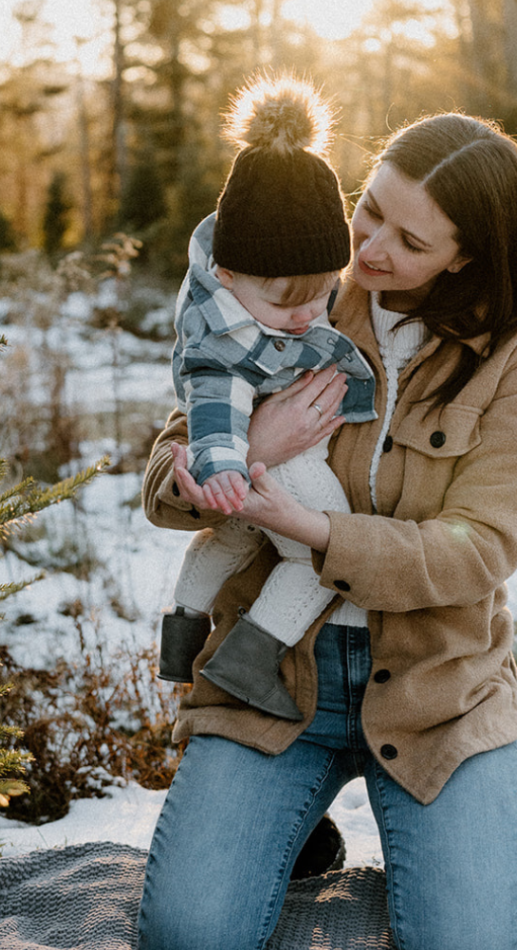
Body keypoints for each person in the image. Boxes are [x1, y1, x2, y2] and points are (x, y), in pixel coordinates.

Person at [137, 108, 517, 950]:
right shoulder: (305, 280)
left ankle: (405, 823)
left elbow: (479, 552)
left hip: (432, 690)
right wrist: (244, 453)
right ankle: (290, 818)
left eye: (407, 237)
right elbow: (165, 465)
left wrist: (318, 532)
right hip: (276, 677)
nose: (369, 248)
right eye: (370, 209)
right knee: (190, 939)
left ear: (464, 255)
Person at [158, 73, 376, 721]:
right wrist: (226, 464)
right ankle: (251, 658)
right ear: (228, 276)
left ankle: (182, 635)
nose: (310, 316)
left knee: (233, 539)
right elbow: (212, 402)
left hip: (273, 444)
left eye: (322, 295)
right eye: (288, 304)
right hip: (278, 453)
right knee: (322, 551)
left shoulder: (256, 296)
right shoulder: (217, 337)